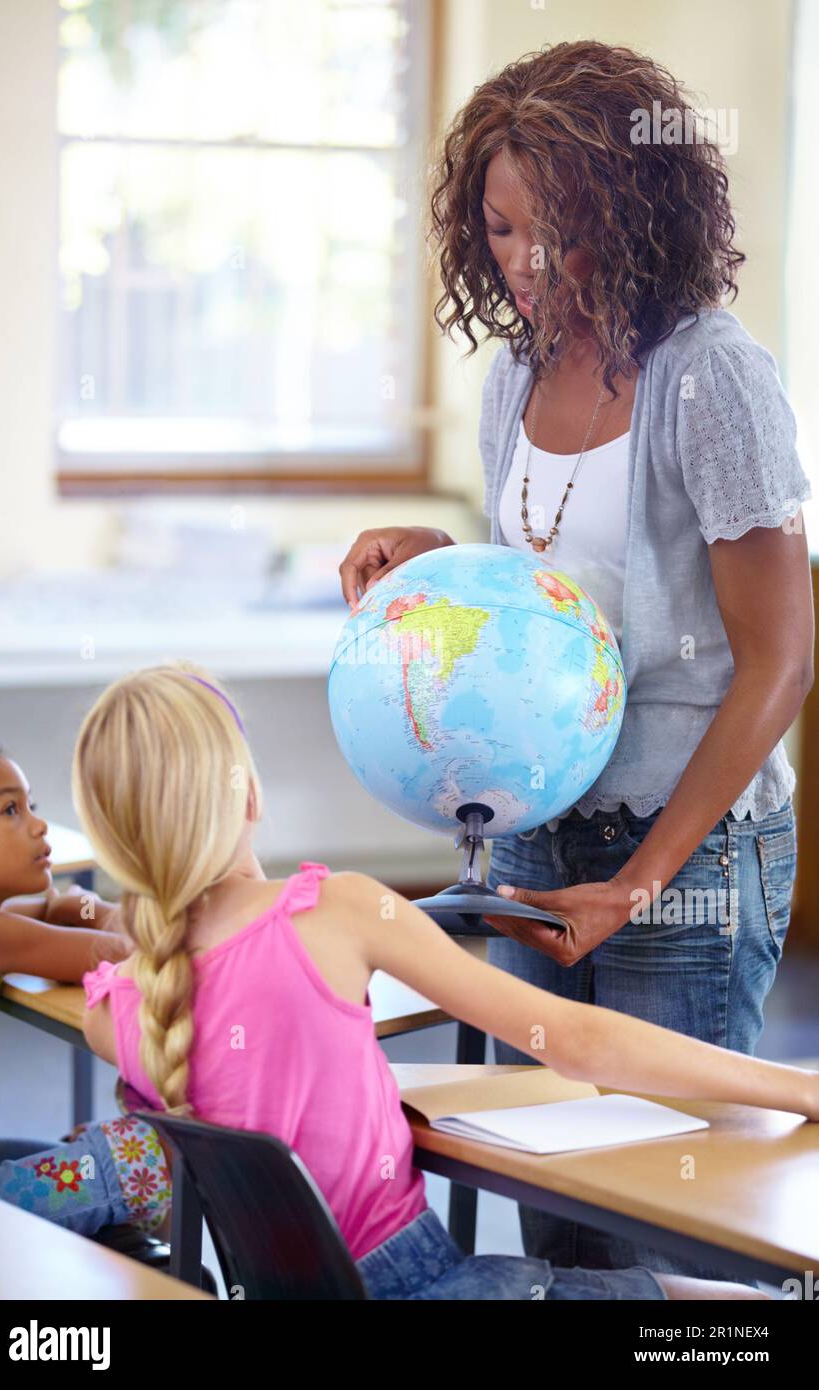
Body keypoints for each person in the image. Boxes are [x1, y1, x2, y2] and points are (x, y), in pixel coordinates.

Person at [337, 39, 814, 1282]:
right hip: (543, 840)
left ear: (637, 212)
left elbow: (777, 657)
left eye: (558, 231)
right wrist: (435, 554)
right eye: (498, 231)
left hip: (686, 847)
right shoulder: (515, 370)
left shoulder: (712, 378)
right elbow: (559, 586)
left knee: (666, 1207)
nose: (526, 264)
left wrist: (645, 878)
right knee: (548, 1193)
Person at [74, 659, 817, 1300]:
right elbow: (575, 1042)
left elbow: (258, 1073)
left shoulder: (115, 1009)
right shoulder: (337, 909)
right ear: (248, 796)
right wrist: (799, 1090)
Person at [0, 736, 172, 1237]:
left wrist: (96, 912)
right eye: (10, 809)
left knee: (94, 1163)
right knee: (155, 1156)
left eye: (31, 805)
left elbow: (57, 910)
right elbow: (125, 954)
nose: (37, 824)